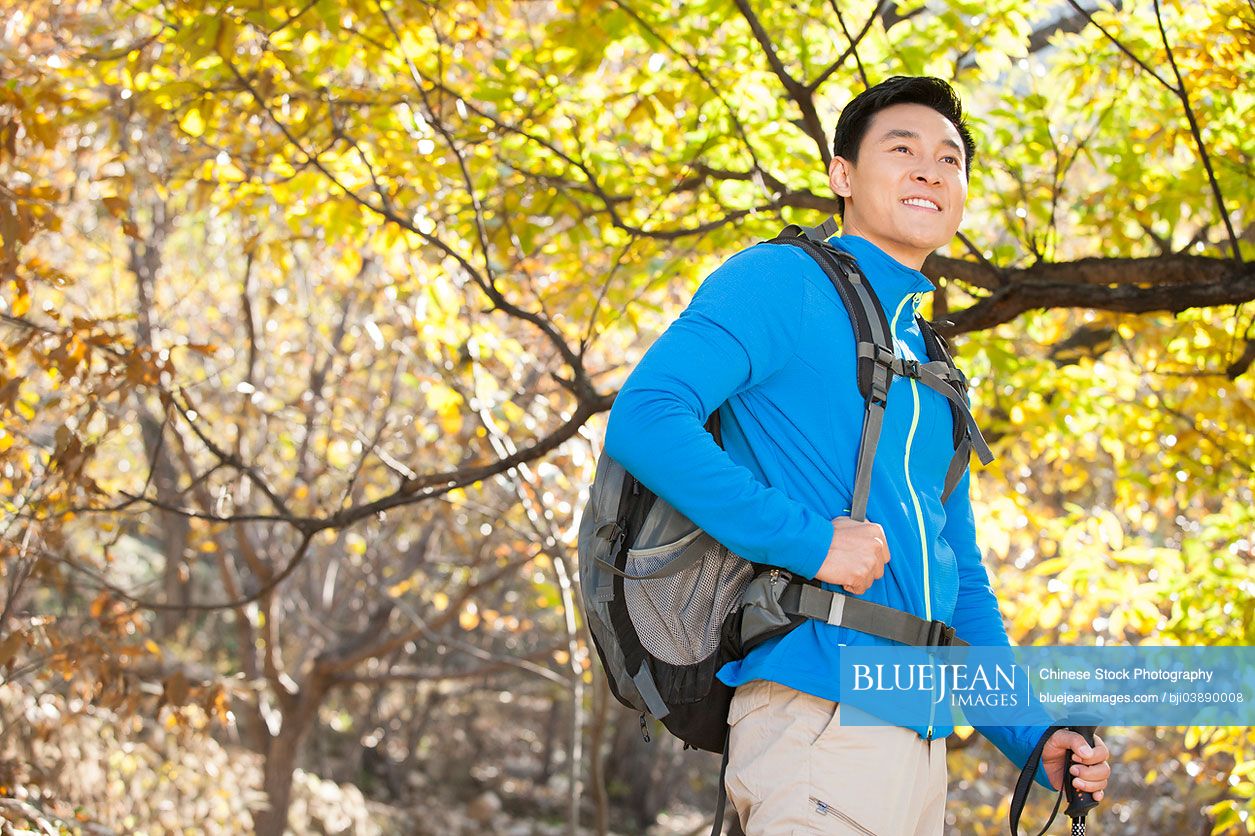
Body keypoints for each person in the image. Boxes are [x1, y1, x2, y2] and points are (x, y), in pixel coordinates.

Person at [603, 76, 1112, 834]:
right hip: (821, 717)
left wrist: (1033, 736)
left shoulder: (930, 365)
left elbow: (960, 587)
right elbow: (645, 417)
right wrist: (809, 542)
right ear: (842, 176)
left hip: (917, 748)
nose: (928, 170)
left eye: (949, 160)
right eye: (900, 150)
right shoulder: (781, 282)